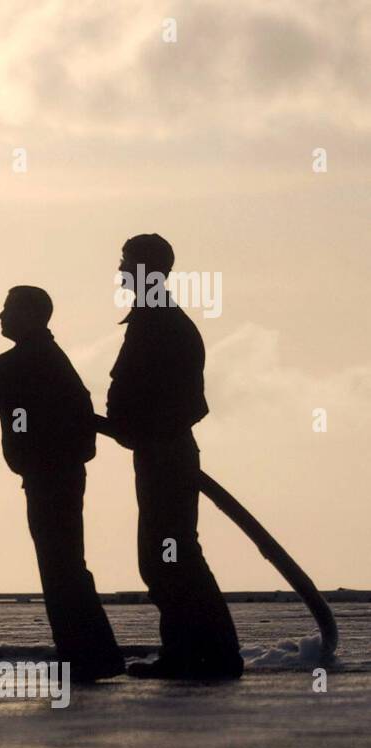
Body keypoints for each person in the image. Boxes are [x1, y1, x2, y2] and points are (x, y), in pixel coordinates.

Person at [106, 234, 243, 679]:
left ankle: (201, 653)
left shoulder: (161, 324)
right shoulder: (156, 320)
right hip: (158, 450)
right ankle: (198, 651)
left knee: (168, 554)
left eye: (127, 262)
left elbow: (186, 401)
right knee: (169, 552)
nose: (121, 270)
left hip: (165, 452)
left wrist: (145, 428)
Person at [0, 286, 125, 681]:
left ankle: (89, 656)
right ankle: (90, 654)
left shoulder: (25, 361)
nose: (0, 315)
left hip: (51, 476)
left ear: (29, 315)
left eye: (8, 309)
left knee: (60, 565)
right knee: (65, 564)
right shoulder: (42, 358)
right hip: (55, 474)